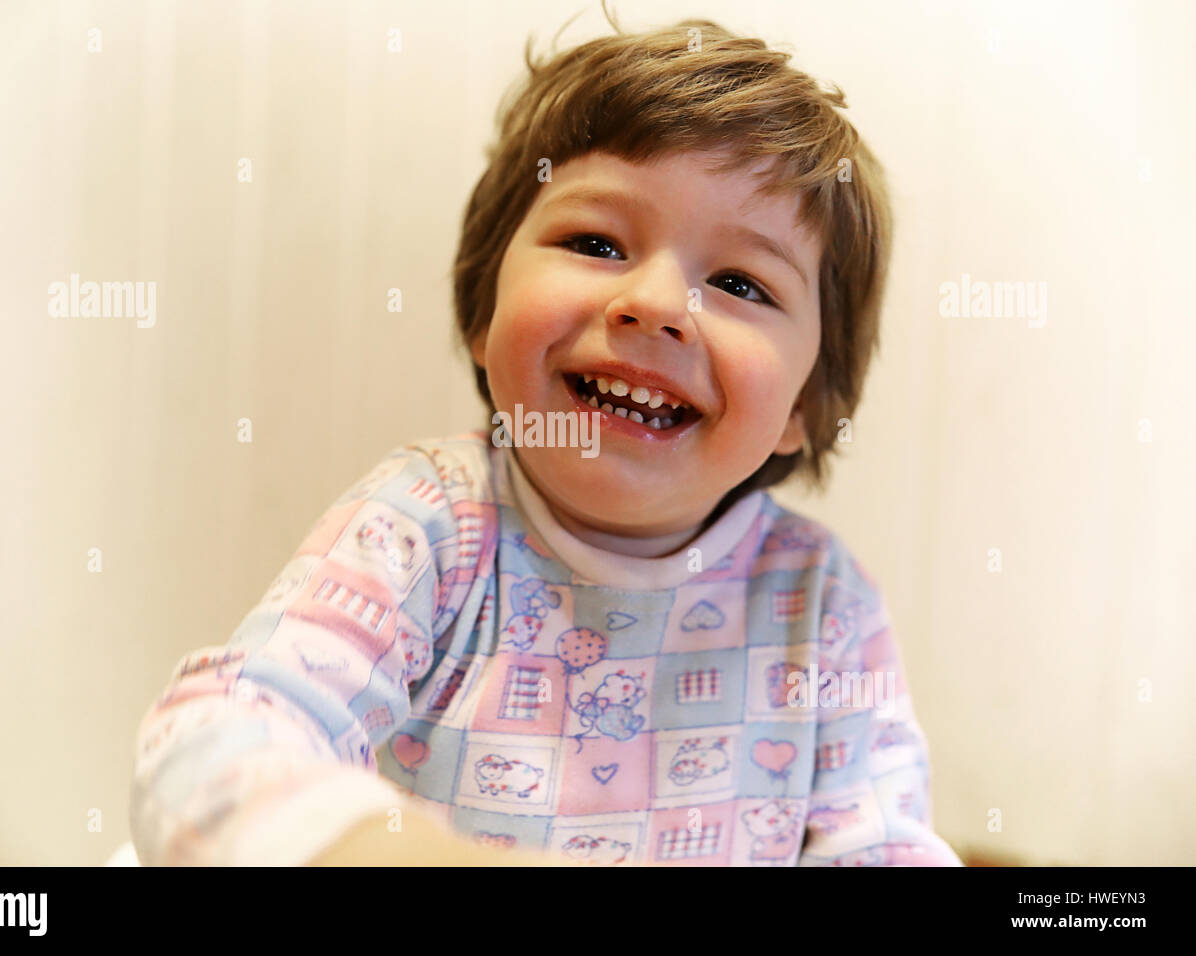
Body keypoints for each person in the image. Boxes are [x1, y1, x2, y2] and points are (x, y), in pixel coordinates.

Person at [129, 6, 963, 868]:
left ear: (803, 405)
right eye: (596, 241)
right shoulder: (428, 529)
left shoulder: (821, 604)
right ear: (485, 313)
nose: (657, 304)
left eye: (740, 284)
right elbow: (216, 741)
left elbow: (886, 848)